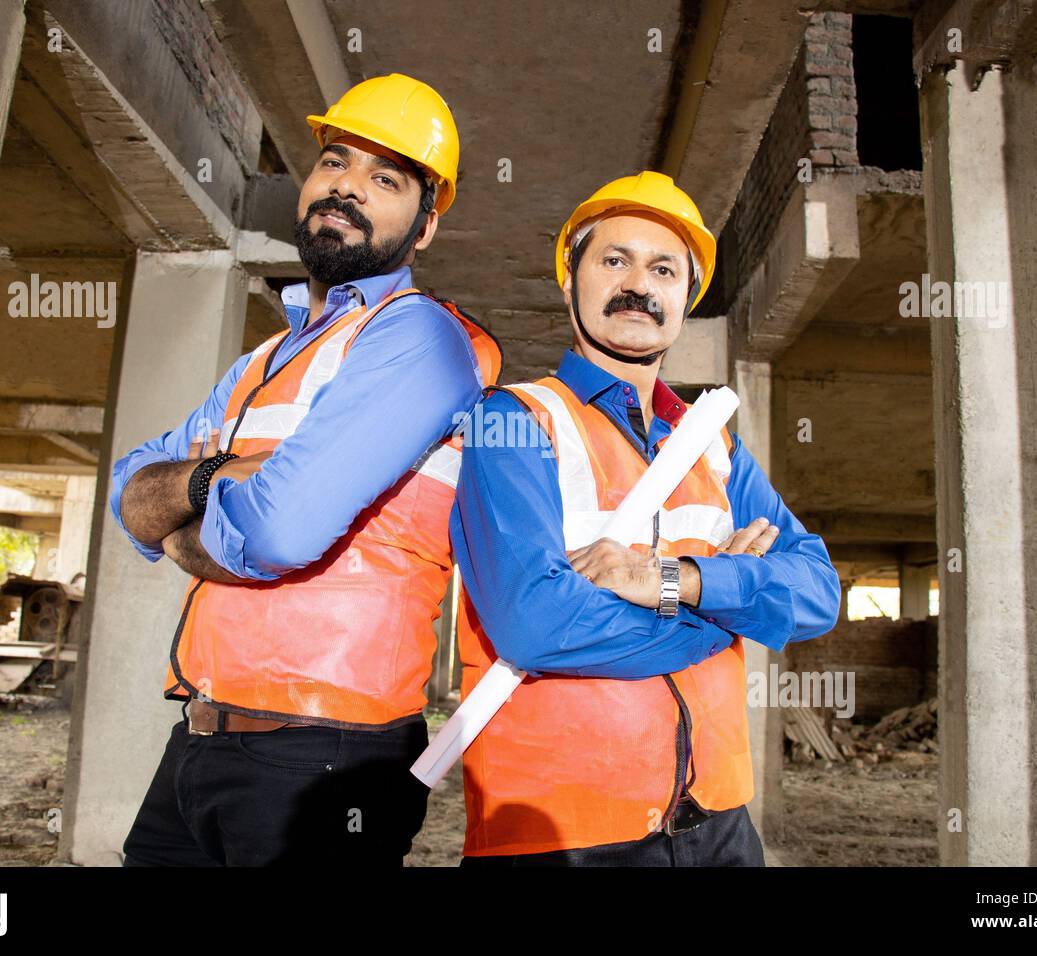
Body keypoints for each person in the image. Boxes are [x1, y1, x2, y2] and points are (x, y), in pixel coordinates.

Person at [112, 74, 500, 866]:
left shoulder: (419, 340)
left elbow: (281, 531)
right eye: (335, 163)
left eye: (384, 179)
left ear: (424, 227)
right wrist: (218, 476)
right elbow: (127, 491)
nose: (347, 187)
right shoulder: (264, 358)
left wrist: (186, 516)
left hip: (325, 758)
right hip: (200, 737)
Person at [450, 171, 840, 866]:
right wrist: (726, 609)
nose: (638, 283)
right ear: (570, 283)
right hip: (566, 832)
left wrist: (676, 581)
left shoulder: (715, 447)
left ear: (684, 299)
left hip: (719, 822)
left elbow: (817, 594)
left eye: (663, 268)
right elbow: (536, 624)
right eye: (613, 260)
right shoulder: (514, 422)